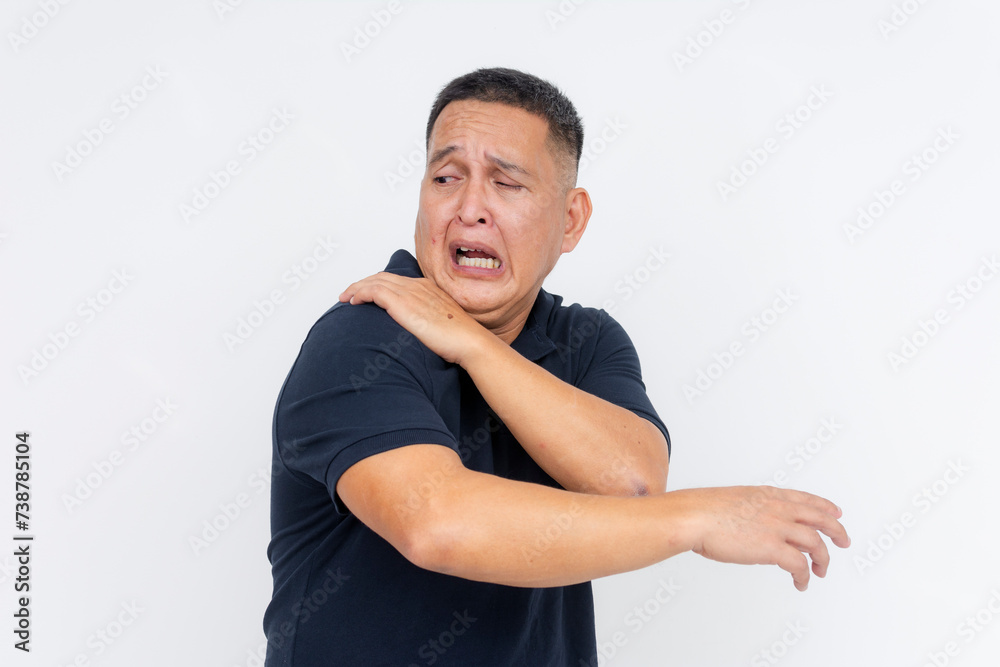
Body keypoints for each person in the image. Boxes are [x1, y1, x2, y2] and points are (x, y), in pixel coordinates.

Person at [263, 67, 850, 666]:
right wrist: (697, 520)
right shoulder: (359, 336)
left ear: (570, 220)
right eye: (446, 177)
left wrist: (472, 343)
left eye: (506, 184)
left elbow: (633, 484)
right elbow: (435, 523)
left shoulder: (587, 341)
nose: (470, 209)